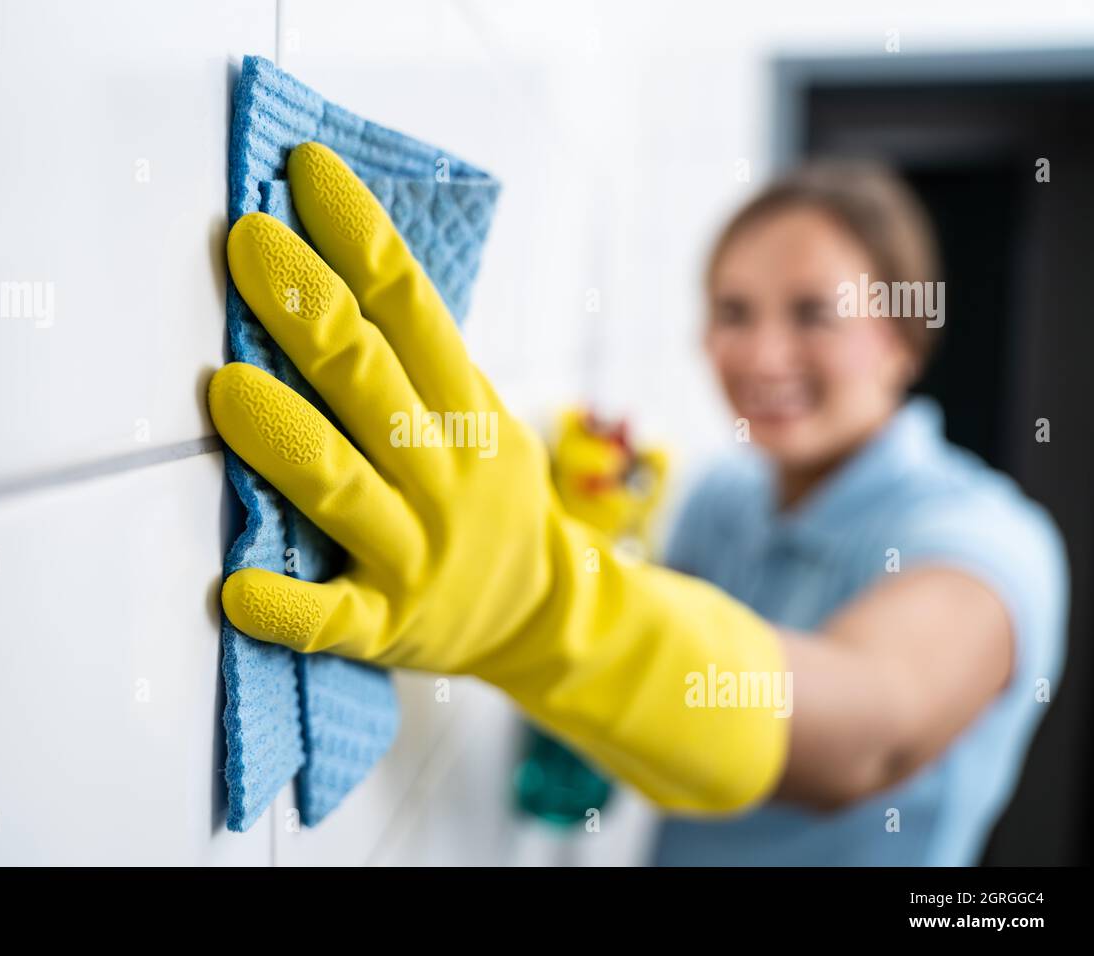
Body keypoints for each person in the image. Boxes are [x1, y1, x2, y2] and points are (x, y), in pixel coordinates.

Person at [207, 143, 1067, 865]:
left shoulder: (987, 538)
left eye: (813, 314)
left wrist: (537, 606)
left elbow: (875, 728)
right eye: (734, 311)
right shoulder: (729, 502)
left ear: (899, 337)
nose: (763, 354)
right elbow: (638, 569)